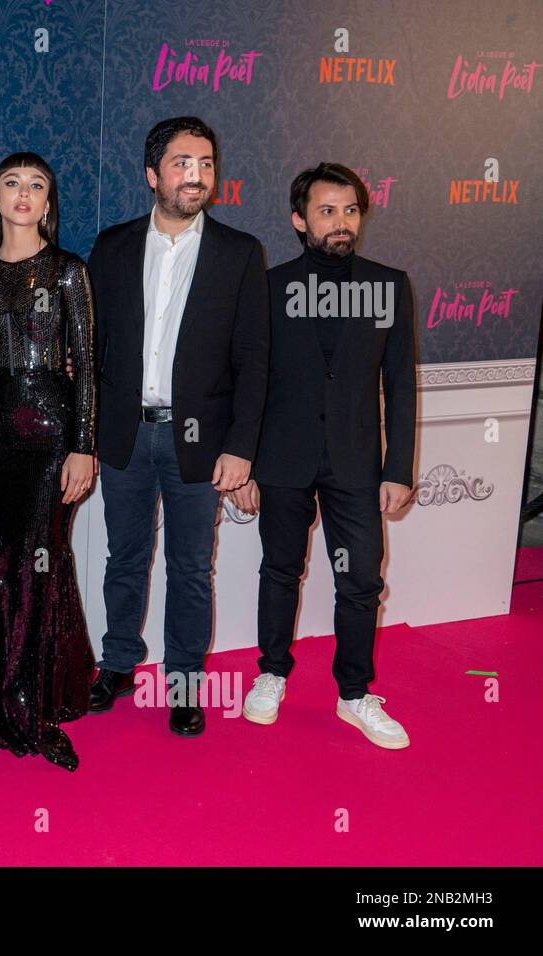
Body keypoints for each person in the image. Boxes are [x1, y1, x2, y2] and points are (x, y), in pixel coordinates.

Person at [86, 116, 269, 737]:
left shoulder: (239, 253)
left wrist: (242, 447)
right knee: (124, 558)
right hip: (124, 435)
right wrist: (86, 435)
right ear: (151, 174)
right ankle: (117, 663)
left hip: (200, 440)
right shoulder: (111, 247)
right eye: (182, 163)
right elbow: (91, 350)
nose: (196, 175)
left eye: (206, 164)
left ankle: (185, 682)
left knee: (192, 566)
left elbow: (254, 359)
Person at [233, 162, 415, 749]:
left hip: (357, 462)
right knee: (280, 570)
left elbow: (401, 383)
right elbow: (250, 380)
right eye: (327, 211)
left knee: (360, 578)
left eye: (351, 210)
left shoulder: (388, 285)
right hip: (282, 458)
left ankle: (355, 694)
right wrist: (245, 461)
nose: (341, 223)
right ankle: (270, 673)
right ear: (299, 219)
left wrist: (399, 468)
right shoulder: (269, 288)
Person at [0, 152, 98, 772]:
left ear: (48, 204)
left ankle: (33, 707)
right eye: (11, 183)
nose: (23, 193)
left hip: (51, 438)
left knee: (42, 559)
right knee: (0, 556)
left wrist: (84, 445)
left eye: (36, 185)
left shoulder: (69, 272)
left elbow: (87, 366)